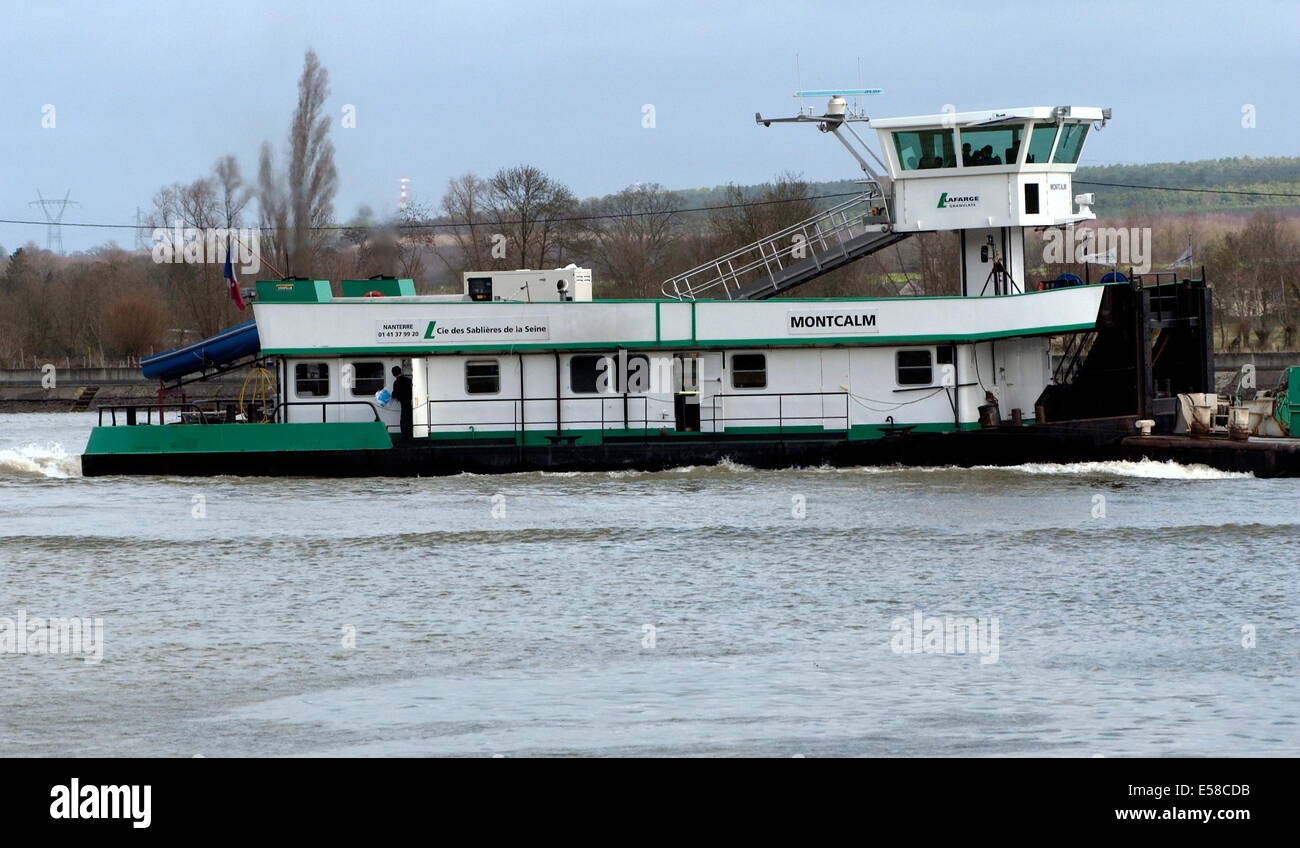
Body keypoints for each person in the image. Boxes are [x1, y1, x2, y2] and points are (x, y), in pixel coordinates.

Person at [391, 365, 413, 440]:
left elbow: (394, 394)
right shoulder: (408, 380)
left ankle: (404, 436)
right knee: (410, 418)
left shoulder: (396, 382)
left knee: (403, 419)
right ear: (400, 371)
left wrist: (397, 397)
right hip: (410, 402)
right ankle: (411, 434)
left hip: (403, 403)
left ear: (394, 374)